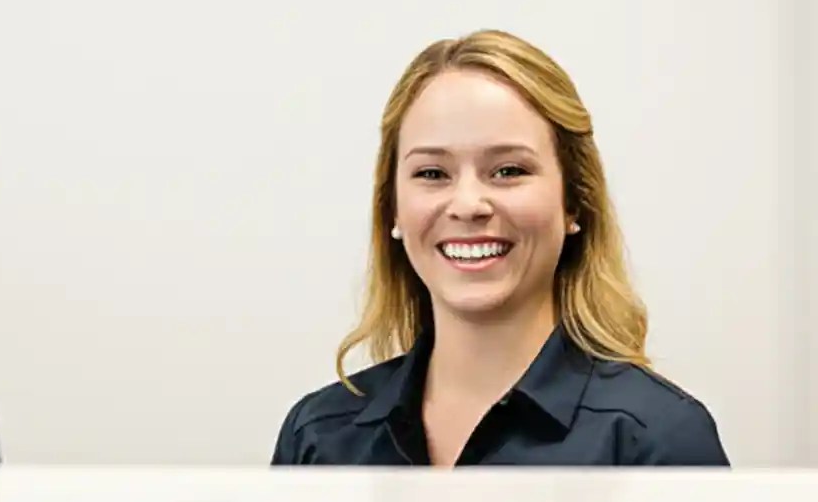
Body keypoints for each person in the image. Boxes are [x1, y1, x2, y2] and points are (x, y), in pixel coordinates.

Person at [271, 30, 729, 467]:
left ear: (574, 202)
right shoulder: (317, 437)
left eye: (508, 171)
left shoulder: (656, 440)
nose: (468, 204)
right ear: (392, 209)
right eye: (432, 173)